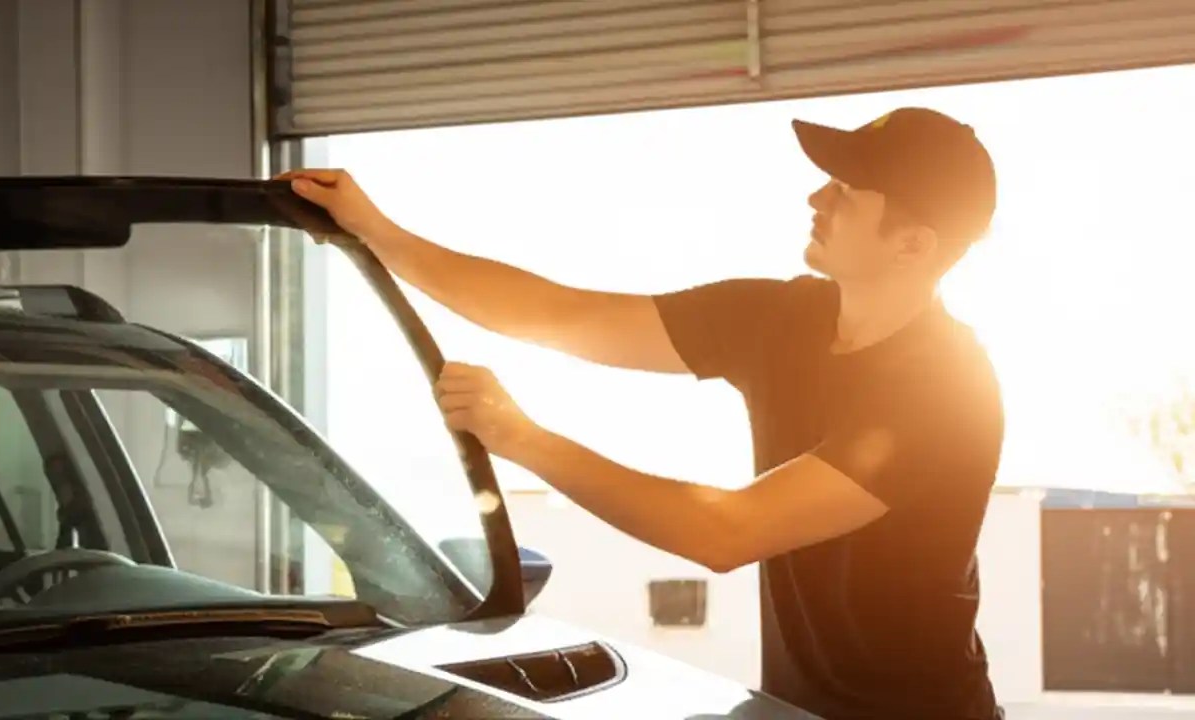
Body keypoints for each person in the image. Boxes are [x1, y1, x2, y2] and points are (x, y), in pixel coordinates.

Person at [281, 106, 1005, 720]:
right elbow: (555, 312)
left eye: (849, 190)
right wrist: (374, 229)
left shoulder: (944, 390)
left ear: (914, 244)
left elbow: (726, 531)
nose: (819, 198)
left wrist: (522, 440)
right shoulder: (780, 318)